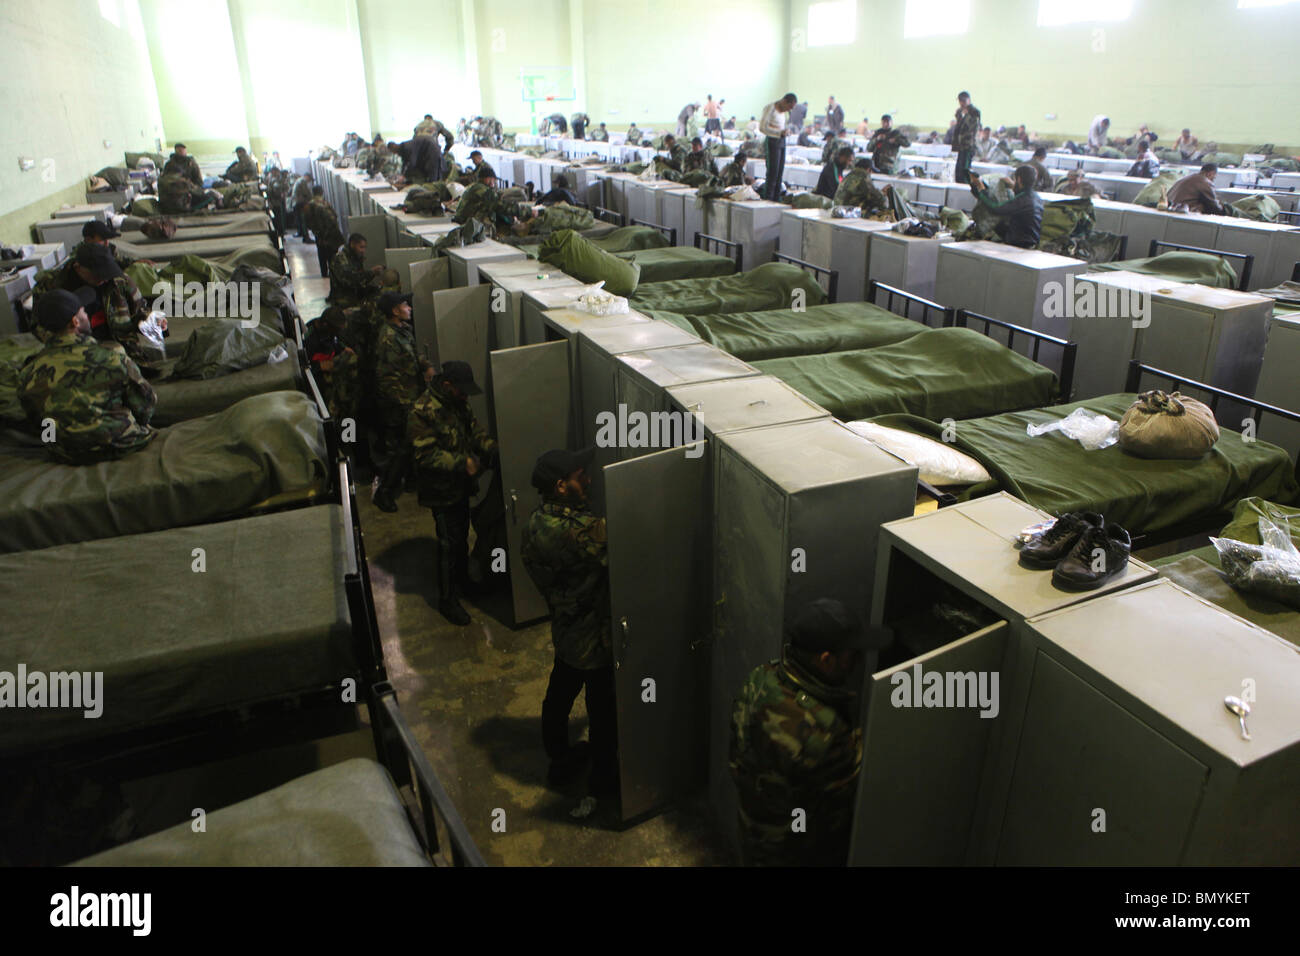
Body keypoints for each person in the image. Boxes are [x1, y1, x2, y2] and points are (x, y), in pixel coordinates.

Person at [729, 598, 868, 867]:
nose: (856, 664)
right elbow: (843, 813)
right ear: (826, 660)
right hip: (795, 853)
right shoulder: (827, 733)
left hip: (752, 829)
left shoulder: (759, 677)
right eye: (851, 657)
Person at [521, 447, 619, 808]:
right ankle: (603, 783)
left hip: (565, 628)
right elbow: (628, 542)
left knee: (559, 695)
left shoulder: (535, 523)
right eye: (582, 476)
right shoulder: (580, 533)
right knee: (603, 713)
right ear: (562, 486)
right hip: (595, 637)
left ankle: (559, 758)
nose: (589, 479)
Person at [17, 288, 157, 465]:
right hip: (122, 444)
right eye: (83, 311)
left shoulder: (29, 372)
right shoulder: (112, 355)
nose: (86, 314)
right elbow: (145, 406)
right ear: (75, 322)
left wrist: (54, 444)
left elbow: (39, 423)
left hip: (65, 453)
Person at [408, 361, 497, 626]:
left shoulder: (457, 401)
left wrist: (490, 447)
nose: (466, 396)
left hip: (460, 487)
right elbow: (424, 455)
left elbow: (473, 430)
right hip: (441, 490)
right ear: (447, 385)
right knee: (449, 543)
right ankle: (448, 600)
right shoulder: (422, 411)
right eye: (462, 391)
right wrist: (463, 463)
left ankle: (464, 583)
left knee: (461, 536)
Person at [372, 291, 432, 512]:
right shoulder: (387, 338)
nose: (410, 308)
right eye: (405, 305)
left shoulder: (403, 330)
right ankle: (385, 492)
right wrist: (407, 406)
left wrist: (425, 365)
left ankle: (412, 482)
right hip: (399, 403)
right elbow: (386, 379)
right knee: (401, 449)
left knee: (409, 445)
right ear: (395, 311)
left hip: (411, 396)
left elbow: (412, 356)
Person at [303, 305, 359, 423]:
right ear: (326, 326)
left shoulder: (329, 330)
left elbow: (334, 342)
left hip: (331, 364)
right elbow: (301, 367)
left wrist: (343, 348)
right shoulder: (309, 339)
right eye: (337, 329)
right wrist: (319, 366)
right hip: (319, 377)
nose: (339, 331)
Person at [970, 164, 1043, 248]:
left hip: (1020, 242)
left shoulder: (1022, 200)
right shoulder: (1036, 197)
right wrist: (1013, 186)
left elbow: (996, 209)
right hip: (1032, 239)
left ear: (1019, 179)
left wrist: (982, 189)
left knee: (995, 218)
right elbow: (1020, 198)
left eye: (1015, 180)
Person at [329, 233, 384, 308]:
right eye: (361, 247)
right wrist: (371, 273)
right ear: (352, 244)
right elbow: (350, 280)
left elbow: (360, 278)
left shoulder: (354, 256)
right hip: (343, 299)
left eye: (365, 247)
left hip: (355, 294)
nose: (363, 250)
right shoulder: (340, 259)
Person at [760, 92, 797, 201]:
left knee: (779, 172)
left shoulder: (783, 113)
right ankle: (768, 198)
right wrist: (779, 132)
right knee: (772, 172)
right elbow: (762, 127)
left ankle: (776, 198)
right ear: (784, 101)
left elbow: (779, 126)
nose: (789, 110)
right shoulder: (770, 109)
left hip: (781, 141)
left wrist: (785, 132)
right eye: (789, 107)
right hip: (772, 141)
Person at [303, 185, 344, 278]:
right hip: (329, 233)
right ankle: (333, 273)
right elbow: (333, 218)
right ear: (322, 192)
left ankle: (324, 273)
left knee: (321, 254)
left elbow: (308, 222)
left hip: (319, 234)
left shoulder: (309, 205)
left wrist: (317, 233)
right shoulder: (324, 203)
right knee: (332, 254)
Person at [953, 91, 981, 185]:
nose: (962, 103)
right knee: (958, 170)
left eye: (964, 101)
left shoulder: (974, 112)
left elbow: (971, 129)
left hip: (969, 145)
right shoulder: (959, 112)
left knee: (965, 170)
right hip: (960, 146)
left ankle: (964, 186)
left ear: (968, 100)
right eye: (961, 101)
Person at [292, 174, 314, 238]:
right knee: (303, 221)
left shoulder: (299, 180)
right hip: (300, 203)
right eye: (309, 179)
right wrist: (312, 199)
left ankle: (300, 232)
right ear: (307, 177)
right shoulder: (302, 181)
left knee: (299, 220)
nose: (309, 181)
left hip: (296, 203)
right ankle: (306, 237)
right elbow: (306, 193)